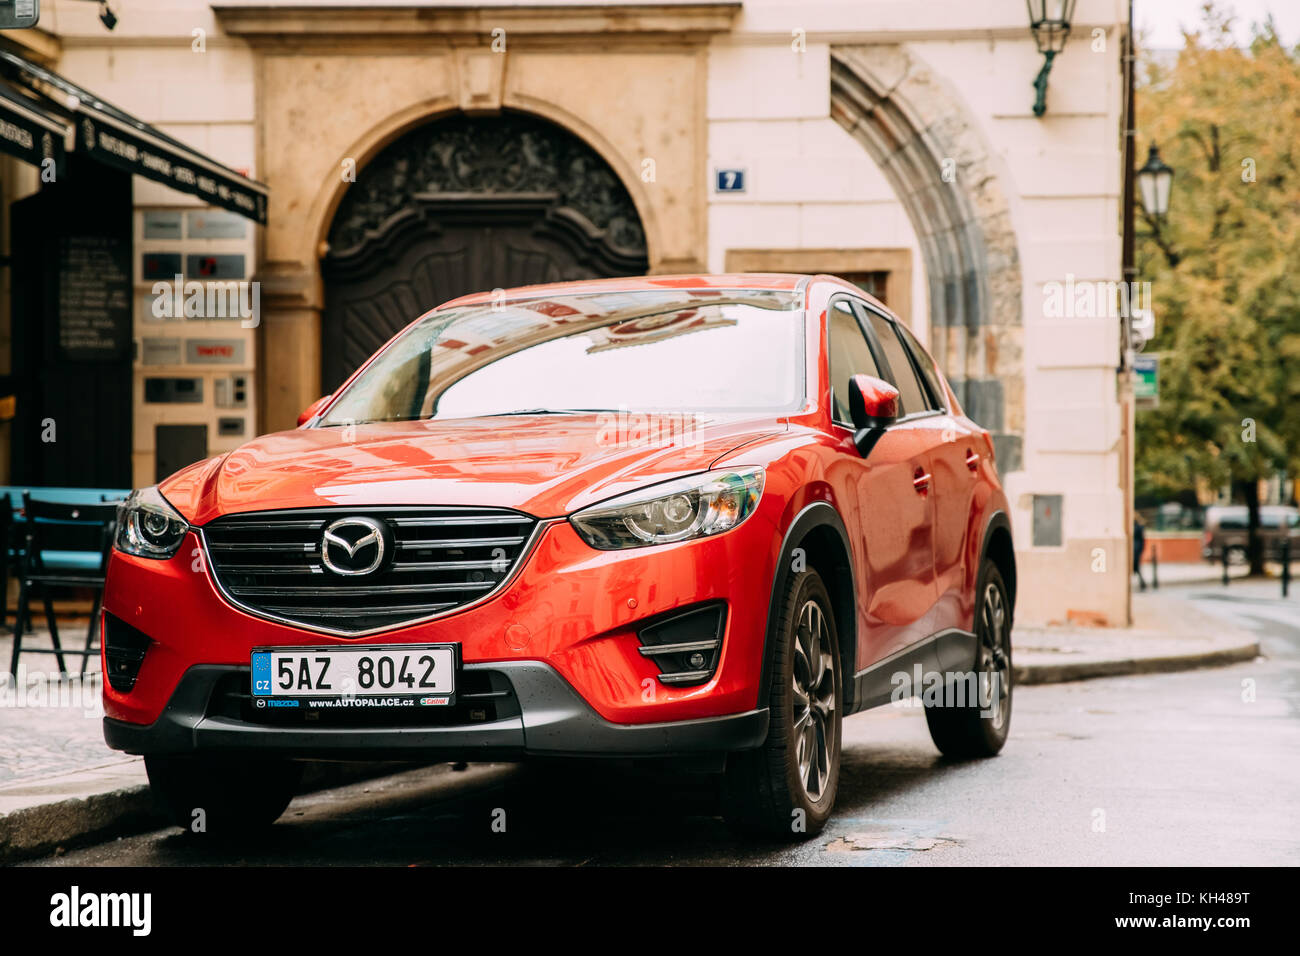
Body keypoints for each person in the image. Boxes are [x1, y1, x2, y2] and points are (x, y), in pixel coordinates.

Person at [1133, 513, 1147, 591]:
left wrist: (1140, 550)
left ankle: (1142, 583)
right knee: (1136, 569)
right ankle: (1142, 583)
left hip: (1136, 550)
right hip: (1135, 549)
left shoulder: (1138, 527)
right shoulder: (1136, 527)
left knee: (1137, 568)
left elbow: (1142, 540)